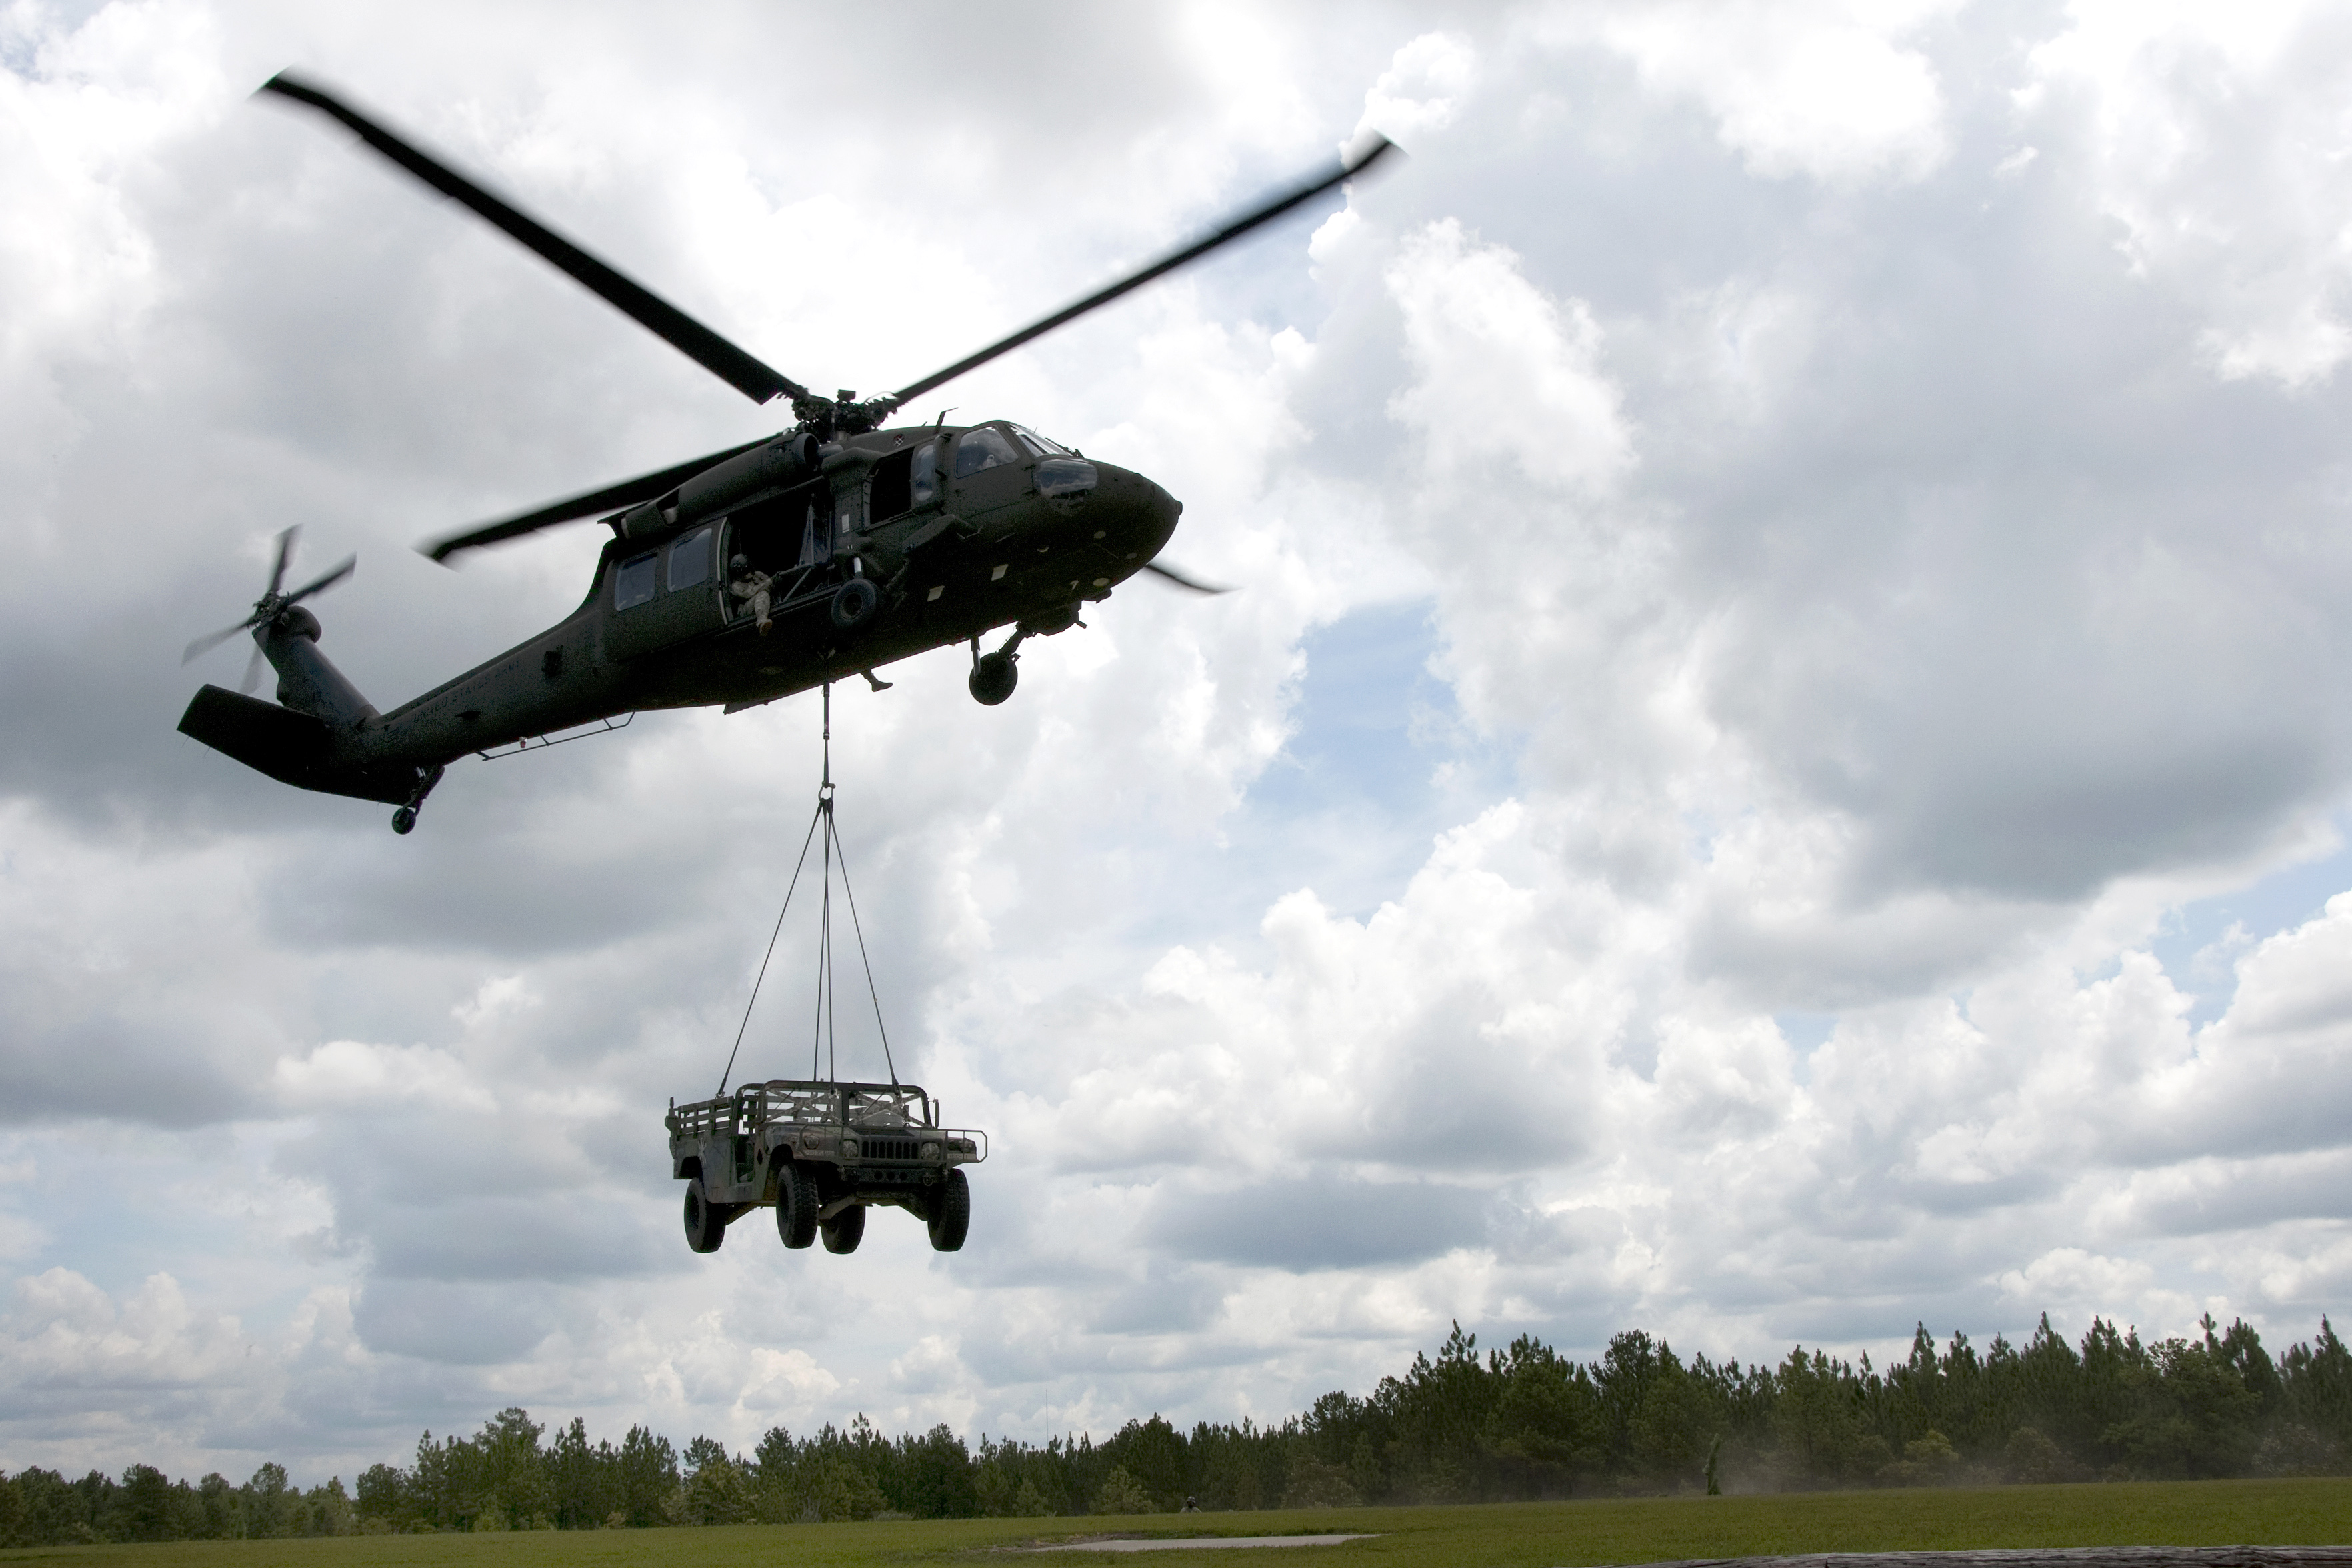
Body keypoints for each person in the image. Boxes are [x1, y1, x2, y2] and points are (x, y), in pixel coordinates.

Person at [729, 554, 775, 635]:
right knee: (762, 594)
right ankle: (762, 622)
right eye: (745, 574)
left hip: (762, 603)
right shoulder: (736, 586)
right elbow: (750, 593)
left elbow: (770, 582)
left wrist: (774, 580)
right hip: (745, 610)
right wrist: (766, 584)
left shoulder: (757, 575)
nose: (748, 575)